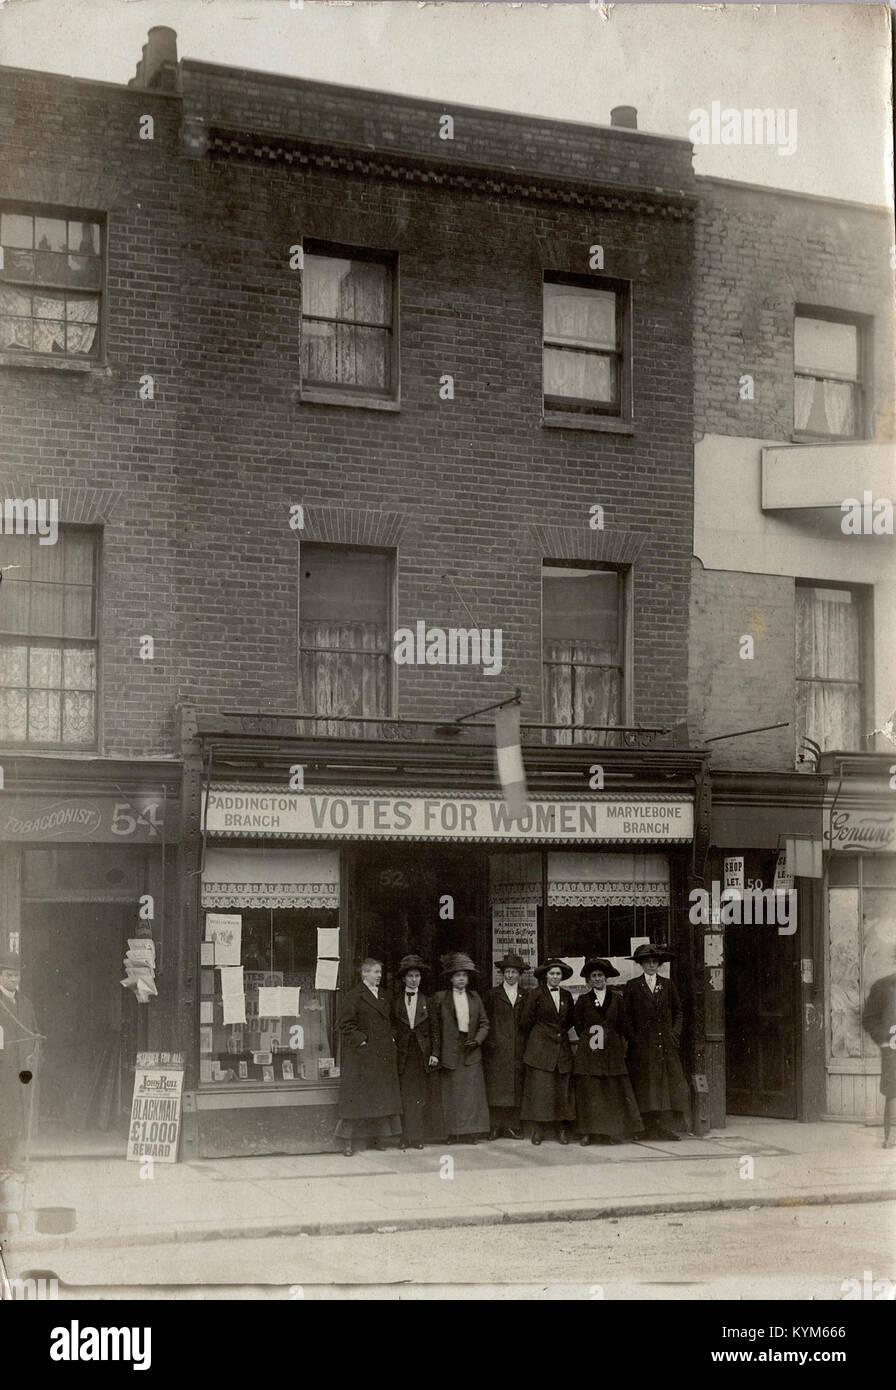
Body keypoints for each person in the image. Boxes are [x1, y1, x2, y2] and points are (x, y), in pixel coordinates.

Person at [334, 958, 402, 1157]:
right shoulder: (354, 996)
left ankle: (378, 1138)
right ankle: (348, 1142)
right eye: (375, 972)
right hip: (361, 1058)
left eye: (380, 972)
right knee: (356, 1102)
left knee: (379, 1099)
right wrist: (363, 1042)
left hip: (382, 1056)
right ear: (364, 974)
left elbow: (392, 1022)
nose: (379, 975)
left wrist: (391, 1037)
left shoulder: (384, 996)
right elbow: (345, 1025)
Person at [624, 943, 689, 1140]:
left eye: (654, 962)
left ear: (659, 964)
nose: (651, 965)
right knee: (645, 1085)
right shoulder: (633, 986)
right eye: (647, 962)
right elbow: (626, 1016)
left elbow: (678, 1011)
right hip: (643, 1047)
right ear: (641, 965)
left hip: (665, 1045)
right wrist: (634, 1038)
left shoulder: (667, 984)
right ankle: (644, 1128)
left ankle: (664, 1128)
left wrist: (674, 1033)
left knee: (666, 1086)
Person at [573, 957, 641, 1145]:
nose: (597, 979)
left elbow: (623, 1023)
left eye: (600, 975)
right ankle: (588, 1132)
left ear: (606, 978)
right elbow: (578, 1025)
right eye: (593, 976)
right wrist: (592, 1038)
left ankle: (610, 1132)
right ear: (589, 980)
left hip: (612, 1052)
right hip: (590, 1053)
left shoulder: (617, 999)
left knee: (611, 1091)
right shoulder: (584, 1000)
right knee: (591, 1091)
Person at [433, 953, 490, 1144]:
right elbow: (435, 1026)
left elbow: (484, 1023)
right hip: (450, 1050)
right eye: (457, 975)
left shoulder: (475, 998)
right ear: (451, 978)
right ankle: (451, 1133)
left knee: (471, 1094)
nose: (461, 979)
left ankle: (470, 1132)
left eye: (464, 975)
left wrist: (477, 1041)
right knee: (450, 1093)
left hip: (470, 1049)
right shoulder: (441, 998)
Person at [519, 958, 576, 1145]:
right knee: (541, 1090)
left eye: (558, 974)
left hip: (561, 1049)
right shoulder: (535, 994)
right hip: (540, 1050)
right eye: (552, 973)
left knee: (562, 1090)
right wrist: (541, 1036)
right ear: (545, 976)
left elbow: (570, 1021)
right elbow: (526, 1021)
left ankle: (562, 1129)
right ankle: (539, 1130)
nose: (555, 977)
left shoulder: (567, 996)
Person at [0, 948, 41, 1188]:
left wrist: (35, 1056)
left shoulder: (25, 1003)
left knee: (20, 1115)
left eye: (16, 976)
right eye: (8, 975)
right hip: (3, 1072)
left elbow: (35, 1032)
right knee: (3, 1115)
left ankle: (15, 1162)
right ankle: (2, 1163)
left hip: (22, 1072)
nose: (13, 980)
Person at [392, 954, 440, 1151]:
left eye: (417, 976)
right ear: (404, 979)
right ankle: (404, 1136)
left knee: (420, 1096)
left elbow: (436, 1030)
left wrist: (435, 1053)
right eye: (410, 976)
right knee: (404, 1096)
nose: (414, 980)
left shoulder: (428, 1001)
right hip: (403, 1054)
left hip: (421, 1054)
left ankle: (418, 1136)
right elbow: (392, 1026)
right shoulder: (395, 1002)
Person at [483, 952, 528, 1139]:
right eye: (507, 972)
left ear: (519, 974)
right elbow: (485, 1019)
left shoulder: (526, 995)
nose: (510, 975)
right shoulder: (492, 994)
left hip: (518, 1047)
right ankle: (495, 1125)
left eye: (513, 972)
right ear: (502, 974)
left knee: (515, 1086)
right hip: (497, 1047)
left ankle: (512, 1125)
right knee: (496, 1086)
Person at [862, 967, 896, 1149]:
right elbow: (868, 1019)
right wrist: (884, 1039)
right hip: (893, 1048)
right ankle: (891, 1137)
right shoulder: (883, 987)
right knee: (893, 1091)